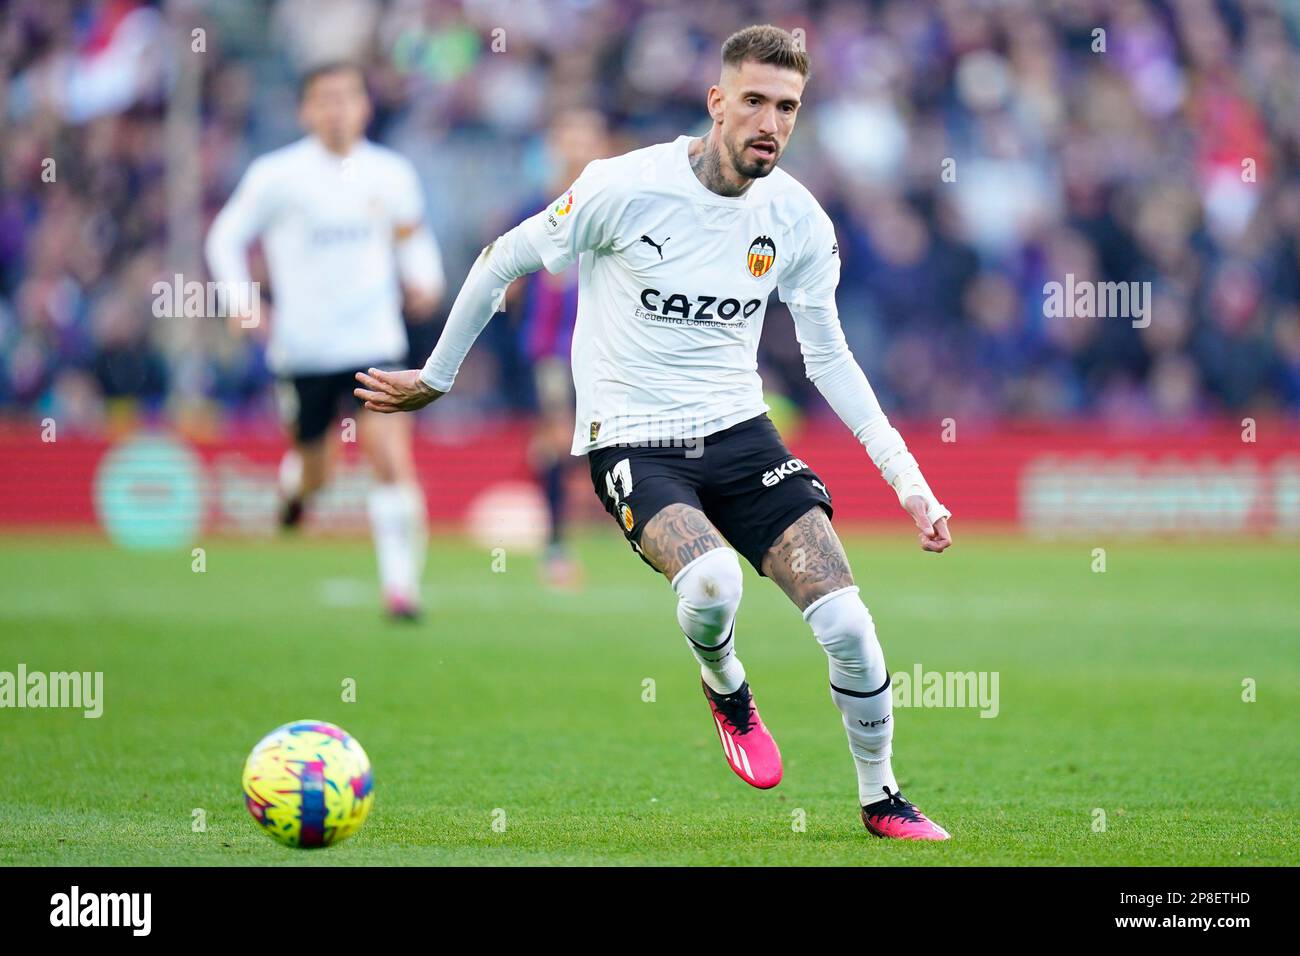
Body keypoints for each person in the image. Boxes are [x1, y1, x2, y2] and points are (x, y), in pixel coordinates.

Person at [354, 26, 954, 839]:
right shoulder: (623, 187)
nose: (769, 123)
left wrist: (910, 481)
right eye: (752, 101)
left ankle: (882, 798)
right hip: (632, 437)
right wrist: (437, 377)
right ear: (716, 102)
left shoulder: (799, 220)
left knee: (847, 621)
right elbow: (502, 258)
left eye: (787, 107)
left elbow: (831, 358)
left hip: (741, 432)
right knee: (714, 587)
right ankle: (724, 682)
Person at [206, 61, 444, 621]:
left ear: (365, 105)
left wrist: (425, 279)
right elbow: (225, 236)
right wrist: (240, 301)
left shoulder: (391, 173)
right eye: (325, 99)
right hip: (305, 348)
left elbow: (413, 237)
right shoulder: (277, 175)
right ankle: (295, 493)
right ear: (306, 110)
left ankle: (401, 591)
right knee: (319, 470)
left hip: (374, 341)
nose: (337, 109)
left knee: (389, 455)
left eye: (348, 97)